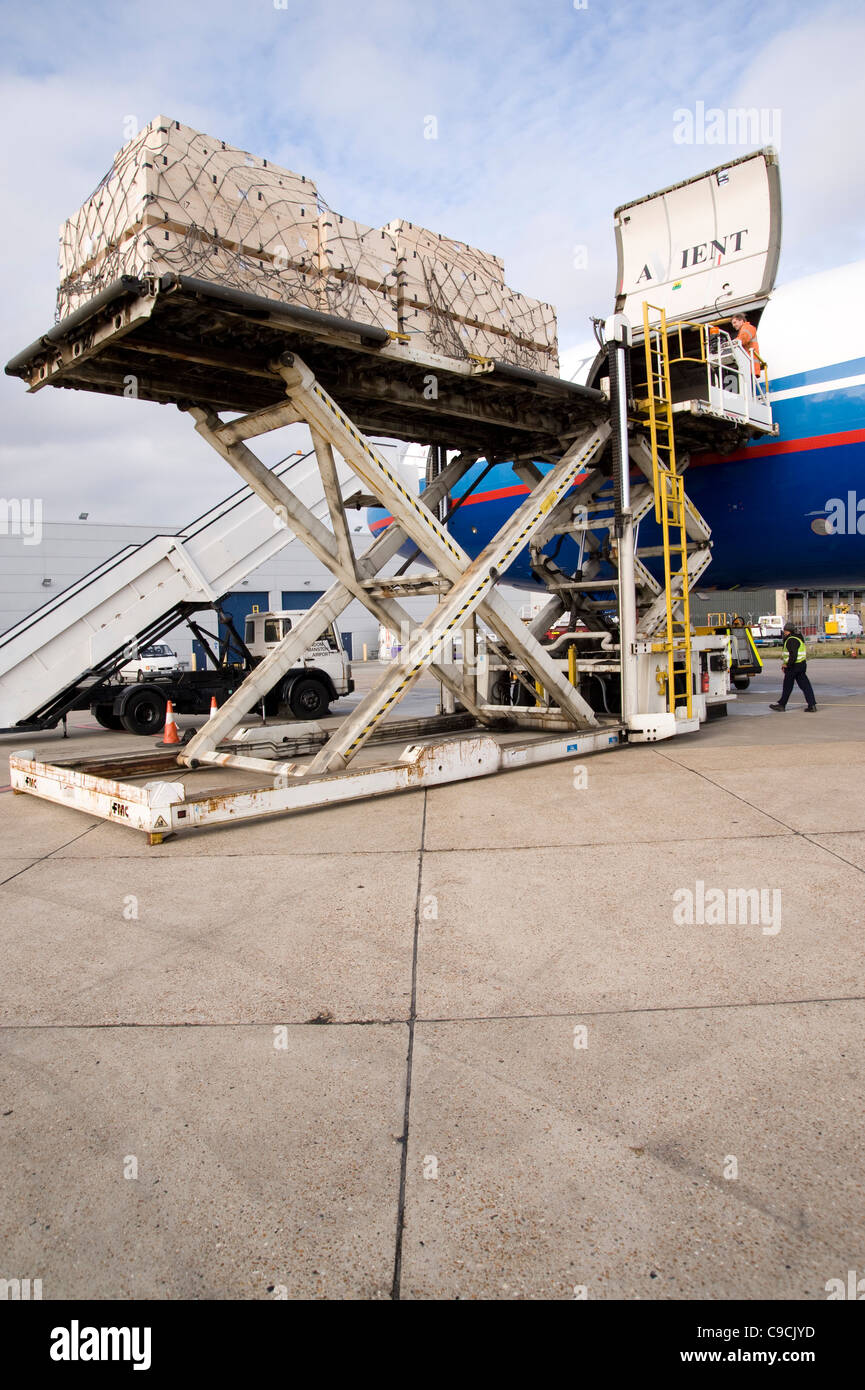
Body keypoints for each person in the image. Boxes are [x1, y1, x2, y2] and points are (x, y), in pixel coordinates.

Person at [770, 622, 817, 712]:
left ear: (787, 631)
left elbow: (793, 655)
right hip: (801, 665)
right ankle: (812, 705)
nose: (784, 633)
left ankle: (782, 705)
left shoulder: (791, 640)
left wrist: (786, 664)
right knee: (806, 686)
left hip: (793, 667)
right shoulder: (798, 638)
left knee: (787, 686)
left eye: (784, 631)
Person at [730, 313, 762, 378]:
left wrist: (730, 343)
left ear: (741, 320)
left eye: (735, 322)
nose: (733, 325)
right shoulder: (743, 330)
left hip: (750, 367)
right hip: (749, 366)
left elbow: (743, 339)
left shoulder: (748, 327)